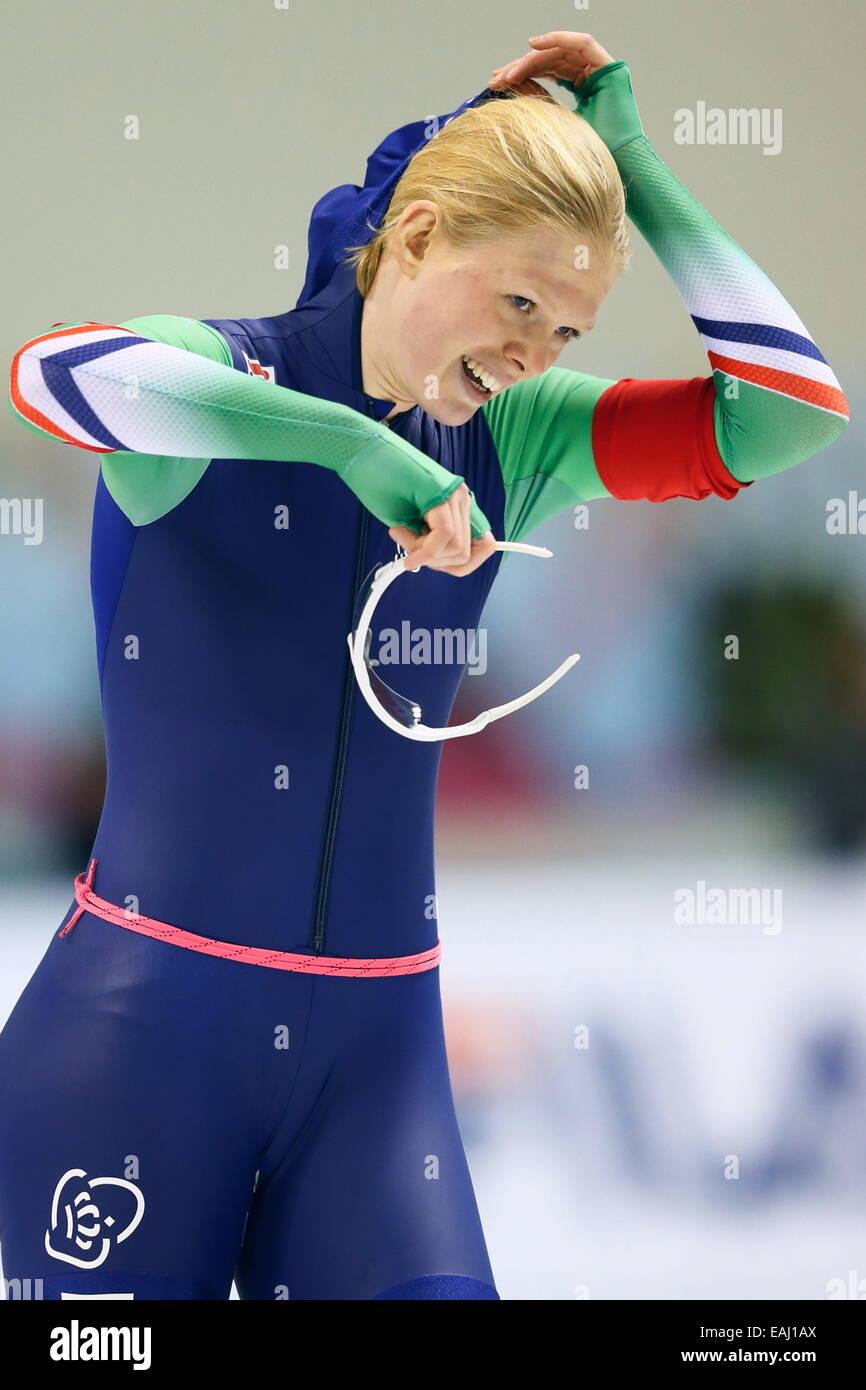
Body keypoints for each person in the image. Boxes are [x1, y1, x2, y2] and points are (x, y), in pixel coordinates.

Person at [0, 32, 848, 1300]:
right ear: (414, 236)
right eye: (516, 303)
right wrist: (347, 445)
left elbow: (788, 412)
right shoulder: (229, 377)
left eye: (565, 328)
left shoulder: (521, 436)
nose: (533, 353)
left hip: (378, 1069)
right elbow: (54, 374)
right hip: (137, 1041)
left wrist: (638, 170)